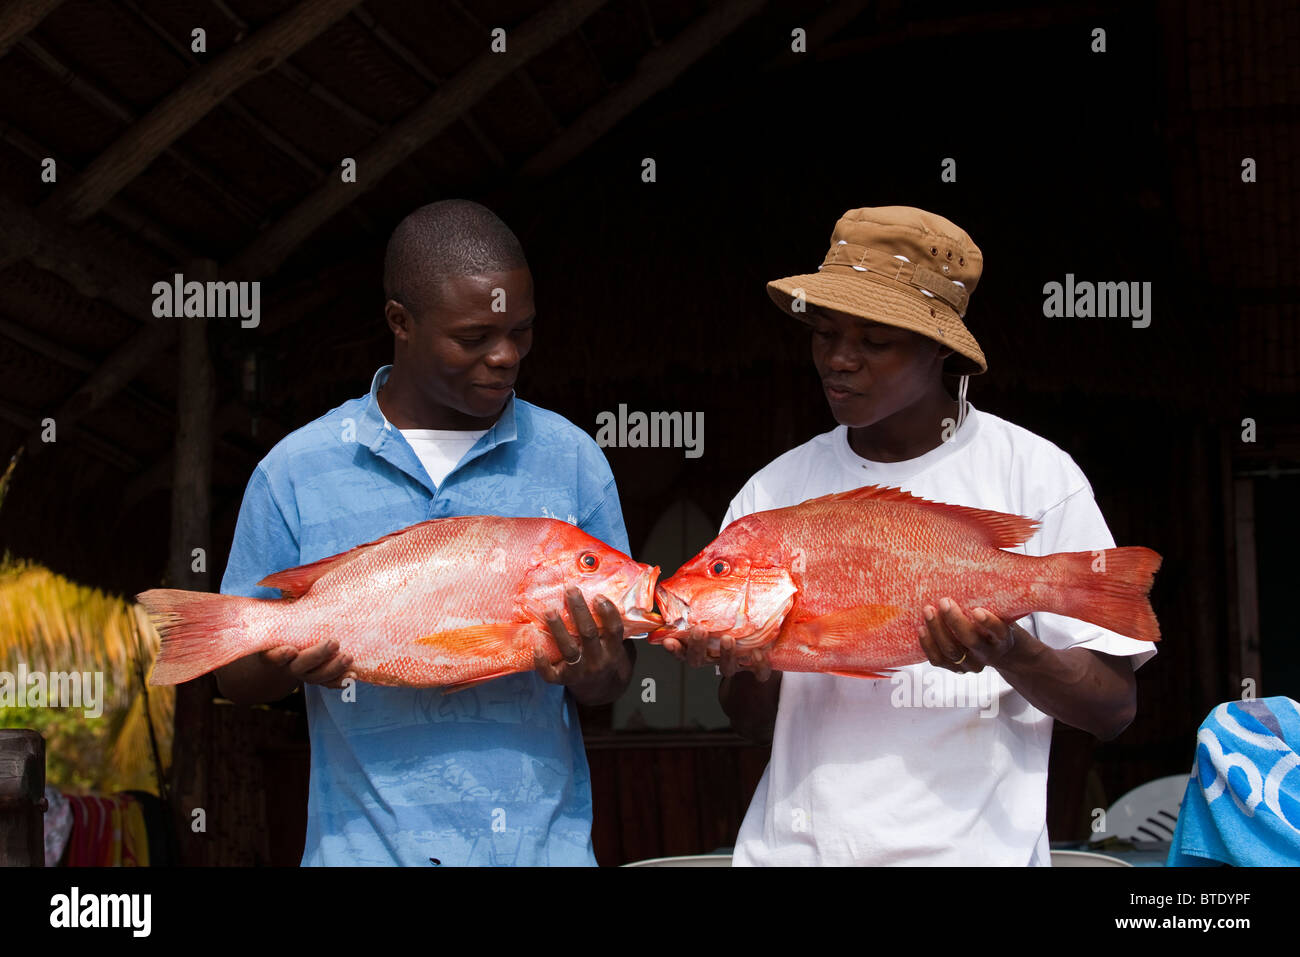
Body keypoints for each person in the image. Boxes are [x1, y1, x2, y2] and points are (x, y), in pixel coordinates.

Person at [662, 205, 1156, 865]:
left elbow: (1113, 707)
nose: (840, 359)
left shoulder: (1036, 476)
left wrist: (1012, 649)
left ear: (940, 347)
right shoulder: (771, 494)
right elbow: (754, 723)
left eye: (874, 340)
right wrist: (747, 658)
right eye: (826, 333)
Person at [215, 200, 636, 866]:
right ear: (400, 323)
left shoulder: (573, 458)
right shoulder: (296, 468)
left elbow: (610, 684)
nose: (504, 357)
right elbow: (234, 673)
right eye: (474, 337)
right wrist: (280, 659)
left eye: (521, 332)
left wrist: (602, 667)